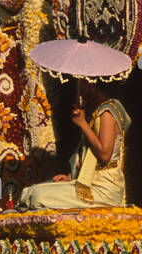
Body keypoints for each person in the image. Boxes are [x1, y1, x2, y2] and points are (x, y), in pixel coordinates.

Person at [20, 80, 132, 210]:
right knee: (29, 192)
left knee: (38, 197)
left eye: (82, 83)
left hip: (104, 190)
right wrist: (70, 177)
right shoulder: (95, 112)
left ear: (93, 84)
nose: (79, 89)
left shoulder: (108, 111)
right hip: (87, 184)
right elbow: (87, 157)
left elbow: (105, 154)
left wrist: (83, 124)